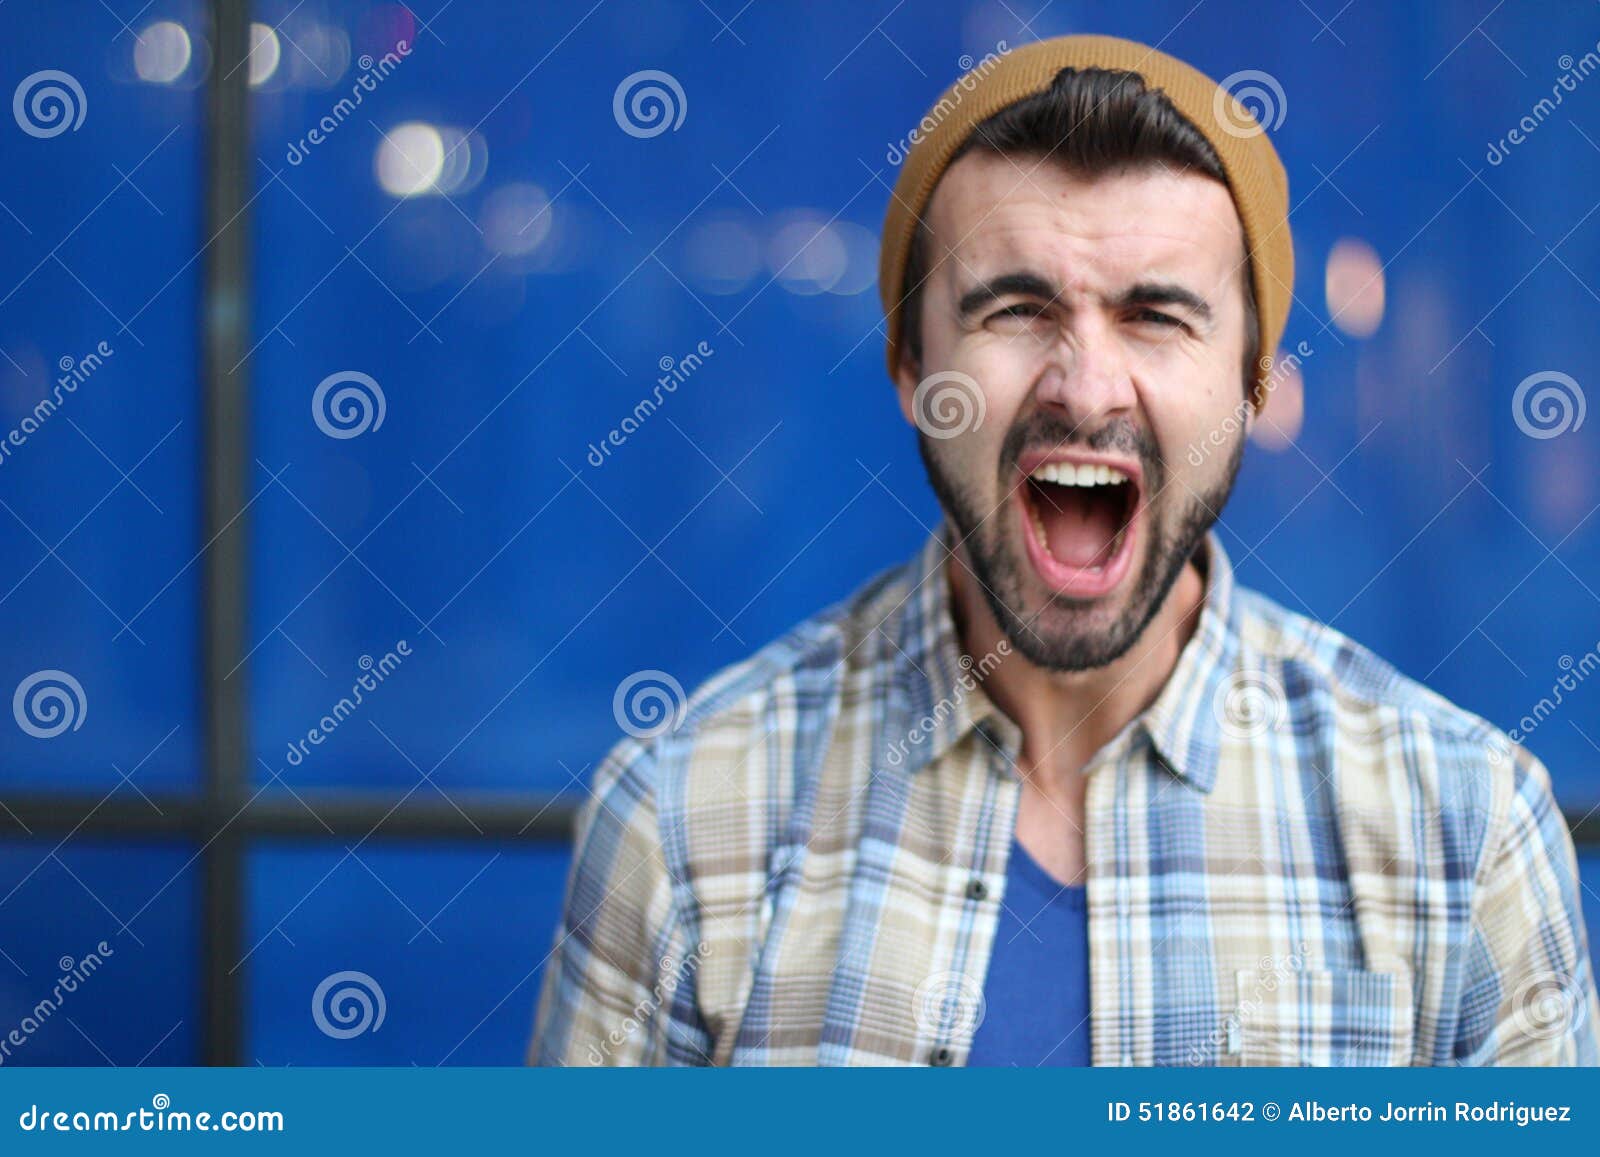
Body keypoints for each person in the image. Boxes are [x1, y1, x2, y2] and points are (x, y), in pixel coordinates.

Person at [530, 34, 1600, 1067]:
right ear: (910, 365)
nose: (1084, 388)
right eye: (1015, 308)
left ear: (1253, 382)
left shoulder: (1465, 834)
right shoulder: (682, 817)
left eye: (1155, 316)